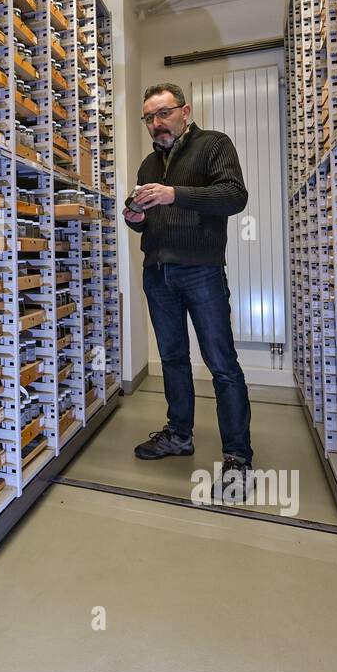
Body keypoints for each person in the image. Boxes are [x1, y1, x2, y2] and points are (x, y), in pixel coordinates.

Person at [124, 82, 254, 499]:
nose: (156, 123)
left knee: (222, 364)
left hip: (201, 271)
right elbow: (143, 219)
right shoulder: (148, 164)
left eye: (163, 114)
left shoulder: (213, 145)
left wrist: (173, 193)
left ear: (185, 111)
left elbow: (234, 197)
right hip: (157, 273)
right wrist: (135, 214)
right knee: (173, 360)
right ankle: (179, 435)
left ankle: (237, 457)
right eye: (149, 117)